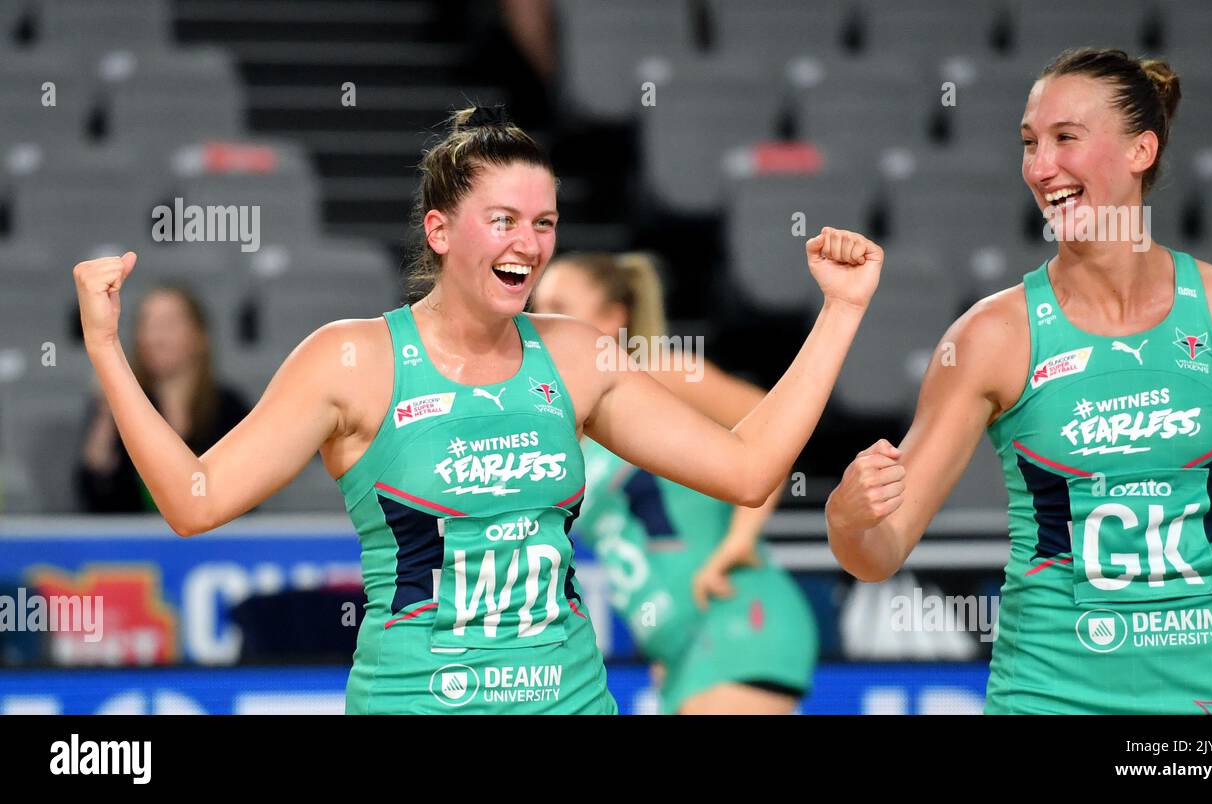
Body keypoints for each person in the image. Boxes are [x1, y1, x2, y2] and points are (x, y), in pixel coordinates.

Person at [72, 106, 884, 714]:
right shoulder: (351, 359)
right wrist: (108, 348)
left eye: (544, 223)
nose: (529, 244)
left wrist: (841, 313)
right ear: (439, 231)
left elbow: (749, 469)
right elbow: (195, 498)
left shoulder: (574, 354)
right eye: (503, 221)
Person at [826, 48, 1212, 714]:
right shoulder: (990, 338)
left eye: (1064, 140)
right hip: (1049, 696)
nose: (1041, 168)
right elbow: (878, 553)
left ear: (1141, 150)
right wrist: (847, 520)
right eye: (1029, 144)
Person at [532, 251, 818, 714]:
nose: (542, 323)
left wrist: (740, 540)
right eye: (536, 308)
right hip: (680, 657)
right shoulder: (560, 418)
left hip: (736, 619)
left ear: (611, 319)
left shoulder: (658, 373)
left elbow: (776, 431)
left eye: (559, 305)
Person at [76, 284, 249, 513]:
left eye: (169, 324)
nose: (154, 337)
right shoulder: (122, 405)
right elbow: (96, 492)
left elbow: (244, 491)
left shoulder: (229, 406)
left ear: (200, 335)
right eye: (146, 324)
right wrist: (106, 411)